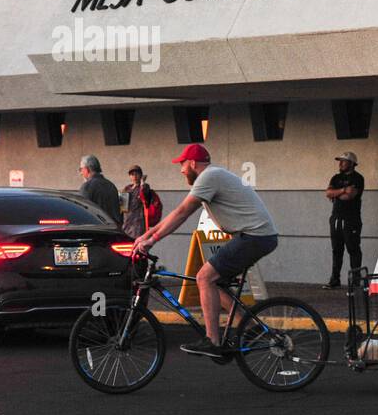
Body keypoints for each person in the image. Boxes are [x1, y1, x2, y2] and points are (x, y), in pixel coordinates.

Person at [133, 144, 279, 358]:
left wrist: (153, 240)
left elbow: (183, 212)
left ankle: (212, 341)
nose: (181, 170)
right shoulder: (212, 176)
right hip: (253, 236)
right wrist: (146, 236)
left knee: (204, 277)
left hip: (255, 237)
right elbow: (177, 212)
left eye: (182, 165)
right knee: (214, 282)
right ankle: (249, 326)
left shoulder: (209, 176)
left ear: (192, 163)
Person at [323, 152, 363, 289]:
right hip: (336, 218)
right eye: (340, 161)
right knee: (336, 249)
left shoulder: (358, 178)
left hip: (351, 219)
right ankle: (335, 279)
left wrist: (337, 193)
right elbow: (328, 193)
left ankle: (355, 281)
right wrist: (344, 190)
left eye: (344, 161)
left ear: (352, 163)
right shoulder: (336, 178)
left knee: (353, 249)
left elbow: (349, 196)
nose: (340, 164)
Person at [120, 165, 162, 241]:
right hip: (126, 223)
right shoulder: (126, 189)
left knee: (138, 246)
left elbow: (144, 194)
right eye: (132, 174)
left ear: (140, 175)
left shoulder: (144, 187)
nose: (134, 176)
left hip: (138, 223)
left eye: (137, 174)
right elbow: (122, 207)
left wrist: (143, 182)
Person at [78, 155, 122, 222]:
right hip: (113, 228)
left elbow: (82, 212)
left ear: (87, 169)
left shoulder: (87, 186)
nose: (81, 173)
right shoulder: (111, 185)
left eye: (81, 169)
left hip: (95, 228)